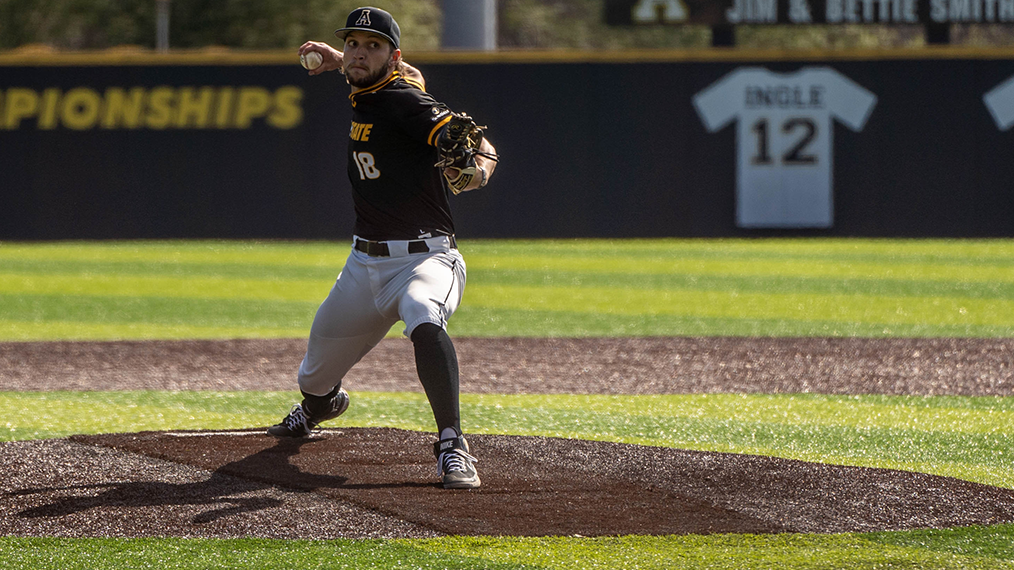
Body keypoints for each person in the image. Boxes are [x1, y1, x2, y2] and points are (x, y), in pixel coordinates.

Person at [267, 6, 498, 490]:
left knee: (424, 316)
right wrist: (338, 61)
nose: (359, 52)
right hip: (362, 266)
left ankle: (452, 446)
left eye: (373, 46)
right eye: (353, 43)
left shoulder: (401, 98)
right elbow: (368, 75)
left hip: (425, 259)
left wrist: (478, 167)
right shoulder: (369, 88)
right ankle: (321, 406)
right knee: (313, 379)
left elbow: (468, 139)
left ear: (393, 57)